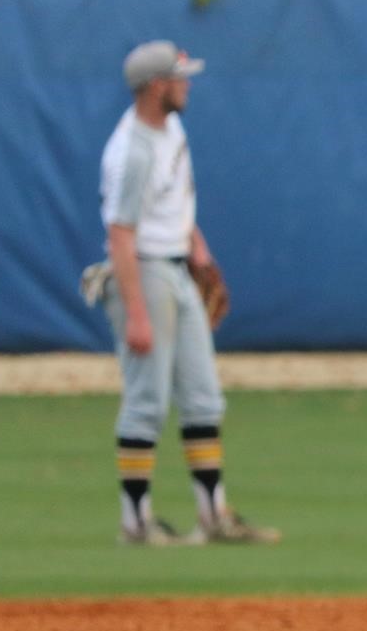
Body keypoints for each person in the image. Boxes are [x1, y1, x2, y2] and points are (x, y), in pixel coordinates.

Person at [86, 40, 279, 546]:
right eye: (179, 77)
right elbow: (121, 236)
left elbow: (175, 203)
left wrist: (199, 251)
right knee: (147, 401)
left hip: (175, 266)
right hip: (144, 272)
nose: (187, 84)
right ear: (157, 87)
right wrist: (136, 314)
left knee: (203, 398)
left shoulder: (171, 129)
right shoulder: (132, 152)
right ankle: (135, 522)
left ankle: (213, 516)